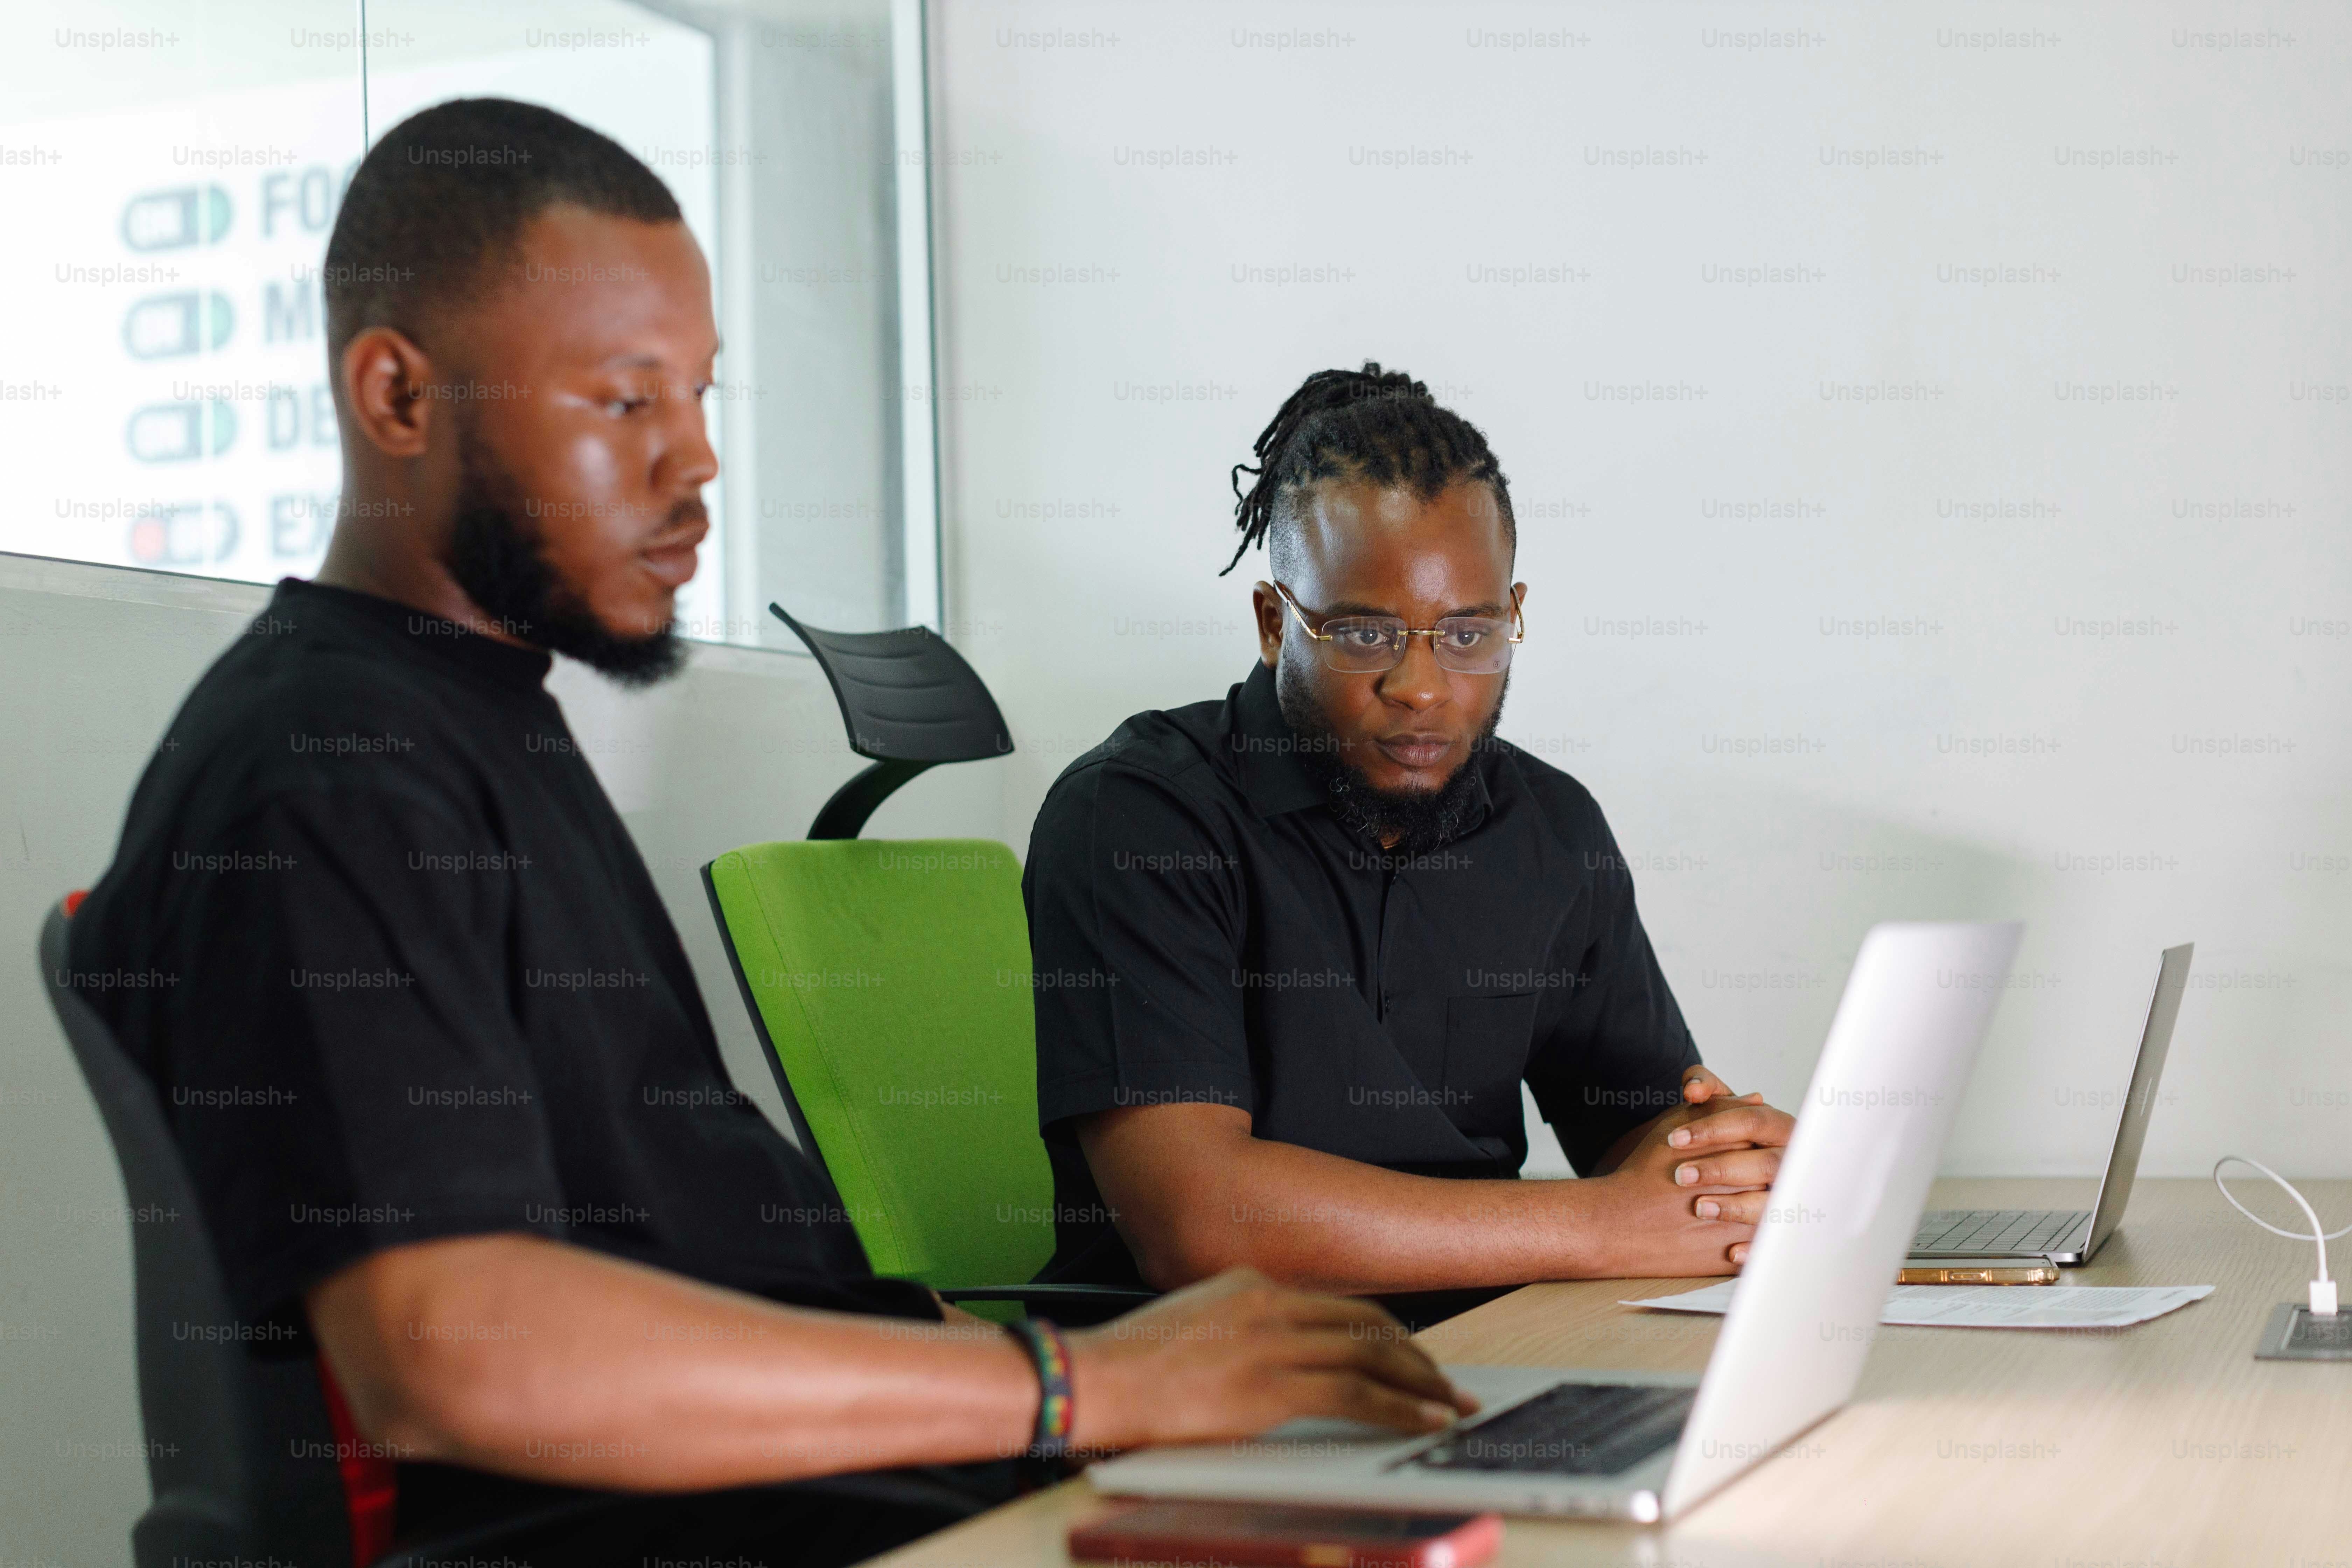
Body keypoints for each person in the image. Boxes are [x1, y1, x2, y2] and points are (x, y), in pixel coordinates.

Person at [65, 103, 1472, 1564]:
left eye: (700, 396)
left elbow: (707, 1246)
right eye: (626, 404)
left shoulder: (484, 727)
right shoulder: (324, 771)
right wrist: (1077, 1381)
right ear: (399, 398)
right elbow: (457, 1350)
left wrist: (1118, 1391)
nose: (697, 463)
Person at [1024, 365, 1798, 1323]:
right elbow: (1198, 1225)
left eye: (1470, 635)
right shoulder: (1141, 817)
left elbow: (1642, 1140)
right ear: (1275, 624)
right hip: (1208, 1398)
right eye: (1363, 635)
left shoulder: (1552, 828)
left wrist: (1732, 1164)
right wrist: (1603, 1227)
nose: (1424, 686)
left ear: (1513, 616)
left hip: (1488, 1353)